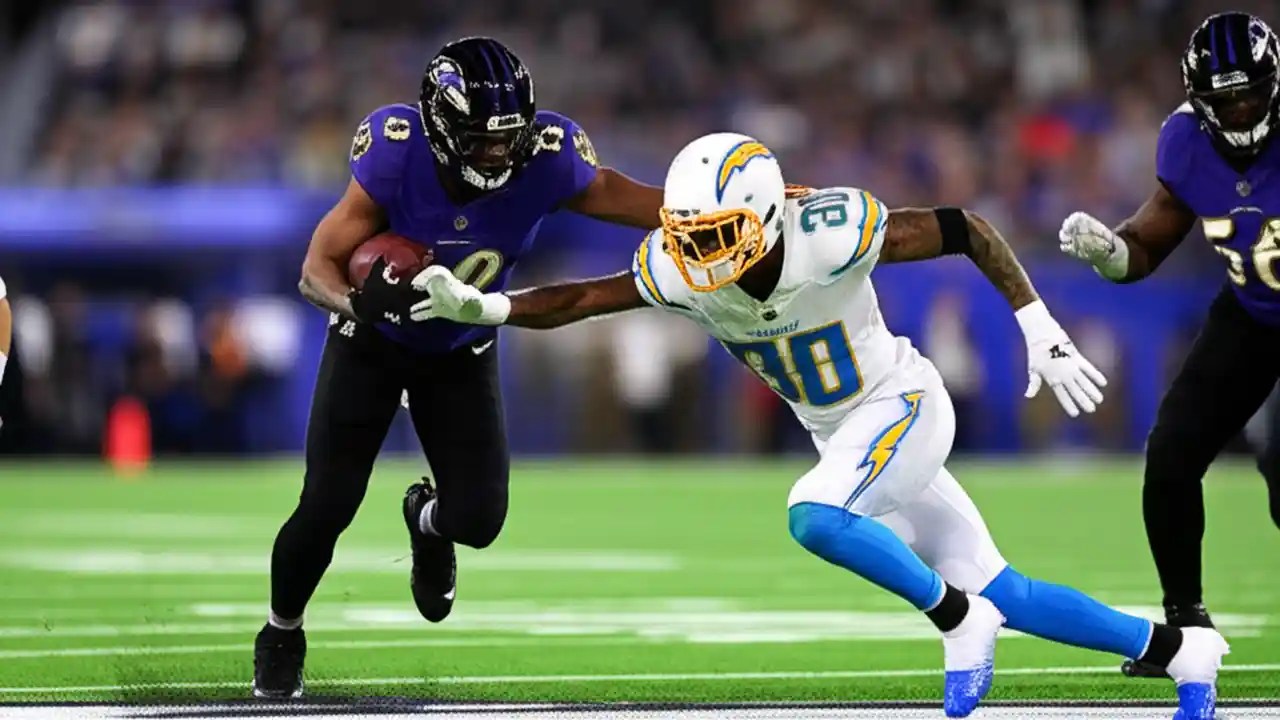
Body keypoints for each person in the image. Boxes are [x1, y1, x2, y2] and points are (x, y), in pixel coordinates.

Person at [413, 132, 1230, 719]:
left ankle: (952, 618)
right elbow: (586, 296)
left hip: (902, 405)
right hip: (844, 434)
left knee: (814, 516)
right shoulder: (680, 267)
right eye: (689, 236)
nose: (699, 254)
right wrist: (488, 305)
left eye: (720, 234)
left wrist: (1036, 325)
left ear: (769, 216)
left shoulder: (830, 233)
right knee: (1003, 590)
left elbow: (963, 228)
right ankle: (1180, 652)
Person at [253, 36, 664, 699]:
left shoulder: (550, 159)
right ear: (441, 127)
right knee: (327, 504)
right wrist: (357, 300)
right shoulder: (394, 153)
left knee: (479, 520)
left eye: (509, 138)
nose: (500, 153)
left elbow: (630, 198)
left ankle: (426, 520)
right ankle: (282, 630)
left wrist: (727, 211)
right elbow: (314, 270)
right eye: (482, 139)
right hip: (372, 340)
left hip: (459, 346)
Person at [1058, 11, 1280, 679]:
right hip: (1251, 310)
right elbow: (1147, 245)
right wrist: (1109, 252)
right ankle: (1185, 625)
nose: (1241, 110)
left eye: (1252, 93)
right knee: (1172, 452)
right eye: (1225, 99)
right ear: (1199, 102)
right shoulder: (1185, 144)